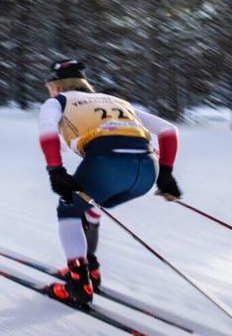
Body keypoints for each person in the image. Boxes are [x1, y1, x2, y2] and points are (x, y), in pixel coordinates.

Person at [36, 59, 182, 308]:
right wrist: (166, 174)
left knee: (68, 210)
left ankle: (78, 285)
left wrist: (55, 170)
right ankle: (89, 269)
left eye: (50, 87)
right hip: (146, 171)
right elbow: (169, 130)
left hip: (107, 163)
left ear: (57, 87)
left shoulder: (57, 102)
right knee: (92, 204)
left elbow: (47, 131)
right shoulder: (116, 102)